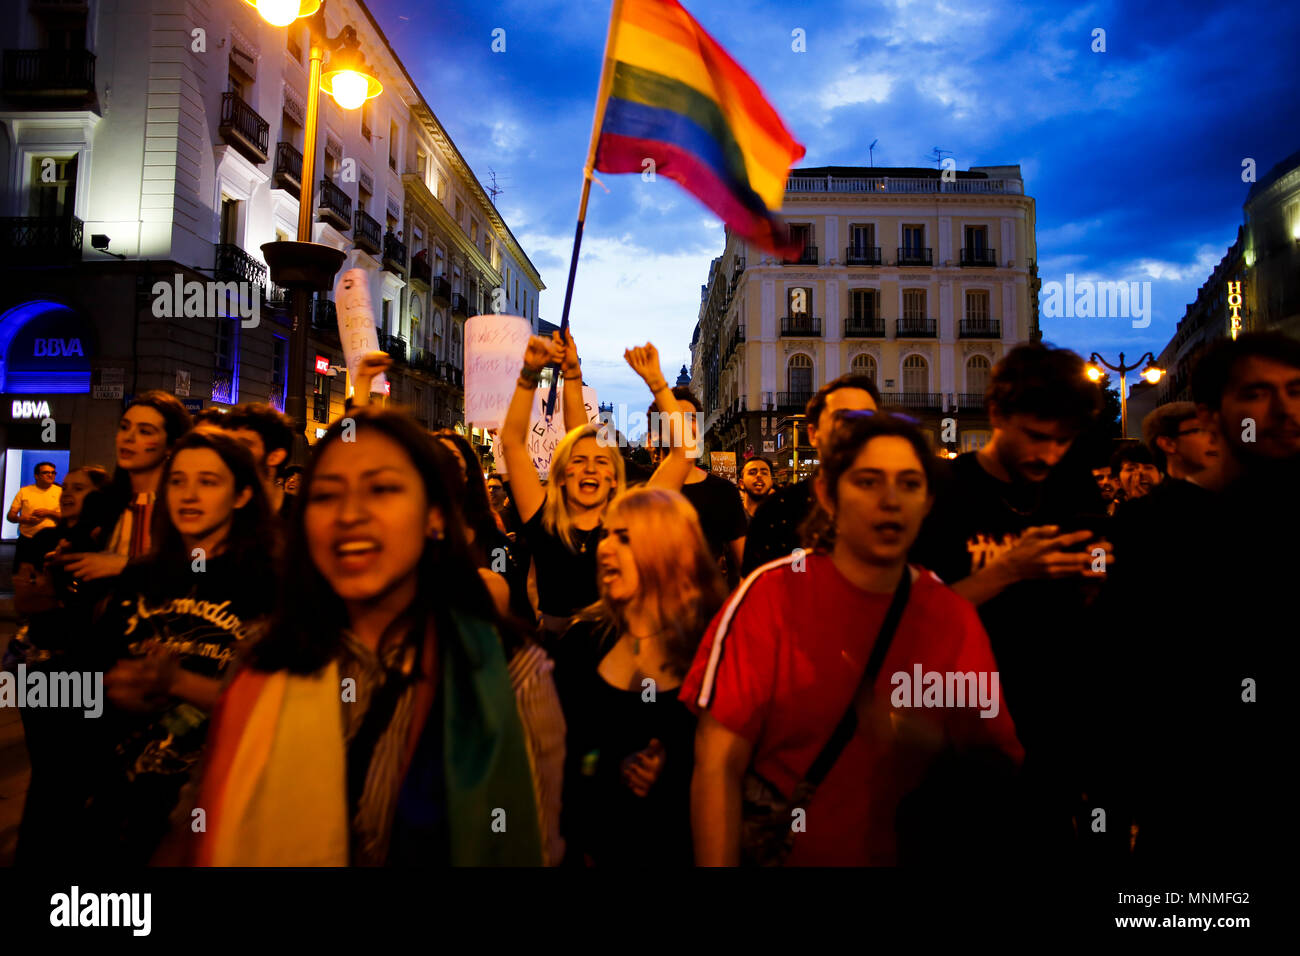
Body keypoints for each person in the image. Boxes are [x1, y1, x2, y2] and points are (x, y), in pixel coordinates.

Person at [192, 408, 549, 866]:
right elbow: (200, 819)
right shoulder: (264, 653)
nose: (350, 514)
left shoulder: (510, 673)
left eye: (382, 490)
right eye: (327, 494)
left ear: (434, 517)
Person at [685, 411, 1022, 865]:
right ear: (828, 494)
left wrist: (923, 740)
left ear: (927, 501)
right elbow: (716, 761)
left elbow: (996, 762)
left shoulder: (951, 615)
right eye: (868, 481)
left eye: (909, 483)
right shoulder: (771, 596)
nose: (890, 500)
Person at [909, 343, 1109, 862]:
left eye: (1063, 441)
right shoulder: (945, 493)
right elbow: (915, 620)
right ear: (997, 413)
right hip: (958, 731)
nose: (1049, 454)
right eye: (1037, 437)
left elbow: (1097, 578)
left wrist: (1101, 569)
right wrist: (1007, 571)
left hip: (1053, 727)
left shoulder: (1072, 487)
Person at [81, 430, 278, 865]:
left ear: (242, 495)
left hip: (221, 804)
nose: (189, 494)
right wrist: (112, 688)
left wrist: (180, 683)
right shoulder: (143, 575)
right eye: (177, 481)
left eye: (208, 482)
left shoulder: (272, 583)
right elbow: (93, 673)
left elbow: (283, 709)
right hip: (123, 802)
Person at [554, 487, 726, 866]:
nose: (605, 549)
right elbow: (556, 762)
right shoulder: (581, 641)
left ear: (670, 551)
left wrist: (675, 776)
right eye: (606, 535)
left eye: (625, 538)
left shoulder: (717, 646)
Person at [497, 332, 634, 644]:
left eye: (601, 462)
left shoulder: (625, 523)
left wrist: (573, 374)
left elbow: (580, 433)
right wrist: (528, 372)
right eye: (578, 461)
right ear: (560, 475)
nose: (589, 468)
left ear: (614, 478)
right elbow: (513, 443)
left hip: (615, 661)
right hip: (554, 660)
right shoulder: (542, 517)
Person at [12, 464, 112, 864]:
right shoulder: (50, 539)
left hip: (87, 670)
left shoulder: (108, 542)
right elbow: (25, 599)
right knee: (49, 772)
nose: (67, 493)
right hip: (43, 665)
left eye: (79, 488)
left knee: (72, 775)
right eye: (65, 487)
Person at [741, 374, 880, 574]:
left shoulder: (901, 507)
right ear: (814, 434)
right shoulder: (777, 513)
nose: (856, 428)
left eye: (867, 418)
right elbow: (754, 591)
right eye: (843, 418)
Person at [50, 391, 193, 582]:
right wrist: (67, 556)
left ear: (171, 446)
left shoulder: (188, 504)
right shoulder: (101, 502)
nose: (129, 437)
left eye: (145, 431)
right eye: (124, 427)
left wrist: (127, 565)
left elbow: (200, 568)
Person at [647, 387, 747, 584]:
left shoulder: (724, 492)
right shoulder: (639, 487)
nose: (683, 424)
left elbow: (746, 566)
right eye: (674, 416)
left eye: (691, 418)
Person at [216, 403, 295, 521]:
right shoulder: (216, 511)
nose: (228, 452)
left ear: (275, 456)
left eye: (242, 445)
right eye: (225, 444)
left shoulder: (302, 517)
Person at [7, 461, 61, 571]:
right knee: (22, 573)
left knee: (48, 575)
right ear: (36, 476)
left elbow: (68, 517)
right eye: (46, 472)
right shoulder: (24, 491)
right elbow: (10, 516)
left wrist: (49, 512)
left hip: (51, 541)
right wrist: (21, 519)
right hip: (27, 540)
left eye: (53, 472)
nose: (50, 475)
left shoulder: (61, 492)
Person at [1109, 441, 1160, 510]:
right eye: (1131, 469)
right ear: (1118, 481)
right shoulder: (1113, 509)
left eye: (1148, 467)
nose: (1142, 472)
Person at [738, 455, 775, 522]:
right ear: (741, 483)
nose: (759, 475)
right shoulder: (730, 520)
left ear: (771, 482)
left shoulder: (783, 519)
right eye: (752, 473)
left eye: (764, 473)